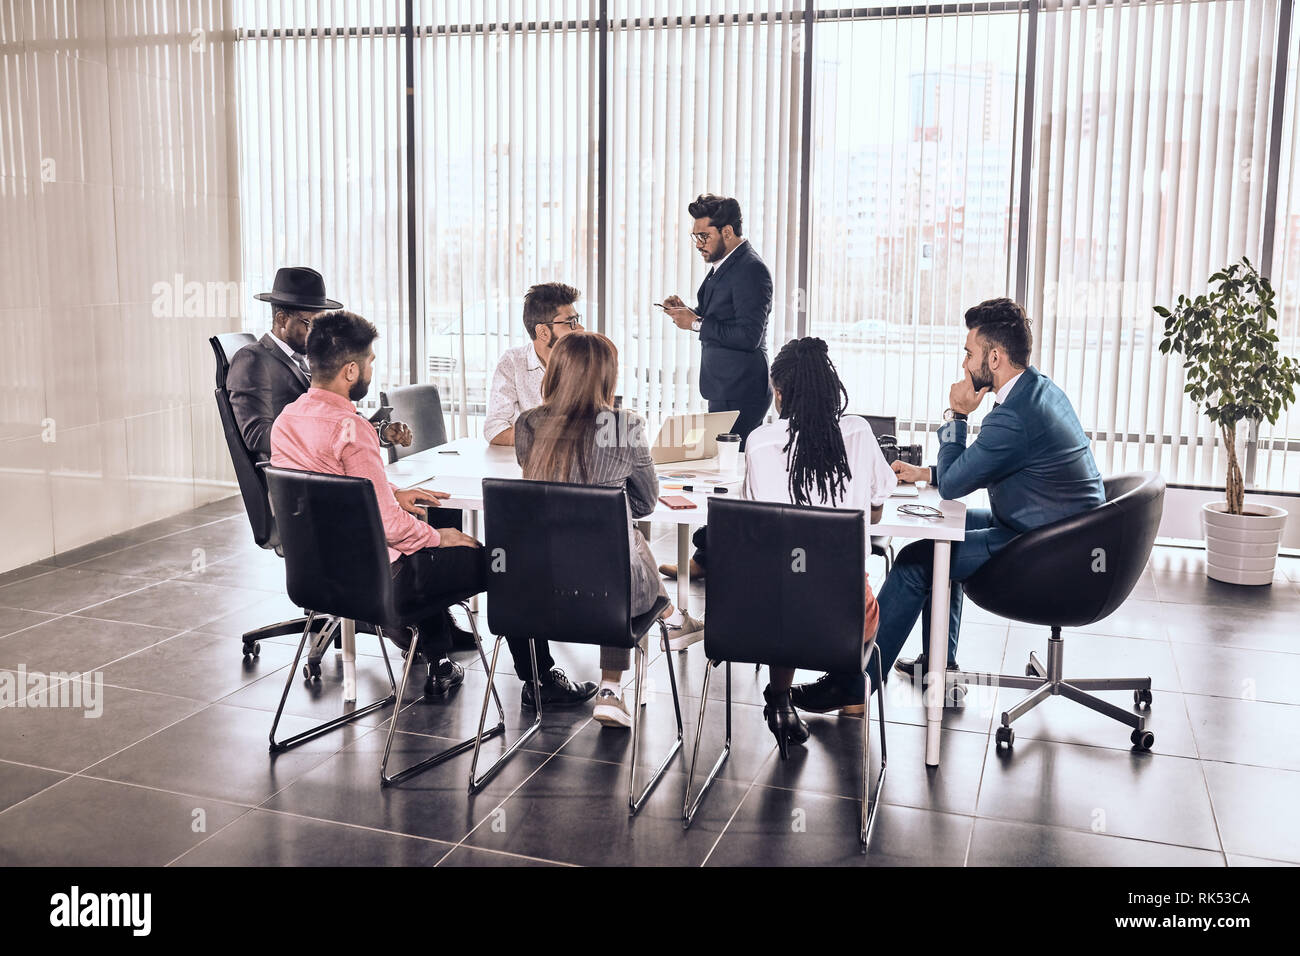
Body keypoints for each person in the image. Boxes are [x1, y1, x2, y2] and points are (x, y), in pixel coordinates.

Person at [790, 298, 1106, 714]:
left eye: (969, 353)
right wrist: (927, 474)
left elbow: (956, 485)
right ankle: (940, 664)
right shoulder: (1037, 390)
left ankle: (855, 684)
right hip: (1063, 531)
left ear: (994, 357)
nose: (964, 364)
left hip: (1049, 549)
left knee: (918, 561)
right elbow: (983, 465)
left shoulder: (1013, 416)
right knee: (941, 537)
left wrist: (957, 416)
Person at [269, 310, 474, 694]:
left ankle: (433, 652)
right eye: (369, 364)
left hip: (313, 575)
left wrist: (391, 496)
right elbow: (393, 528)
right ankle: (527, 680)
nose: (370, 372)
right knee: (481, 555)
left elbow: (328, 493)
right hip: (376, 580)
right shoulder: (353, 430)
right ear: (350, 371)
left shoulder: (286, 420)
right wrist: (438, 537)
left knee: (421, 529)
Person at [514, 332, 700, 727]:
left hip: (535, 587)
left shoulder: (528, 423)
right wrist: (609, 513)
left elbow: (540, 490)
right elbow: (647, 503)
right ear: (607, 378)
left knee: (614, 536)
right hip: (608, 590)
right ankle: (613, 685)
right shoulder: (624, 425)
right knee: (623, 536)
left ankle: (667, 616)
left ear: (555, 373)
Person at [737, 338, 896, 756]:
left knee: (785, 584)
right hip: (843, 622)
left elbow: (756, 521)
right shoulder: (860, 432)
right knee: (839, 590)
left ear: (780, 393)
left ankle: (780, 697)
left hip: (766, 620)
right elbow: (876, 511)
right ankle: (850, 684)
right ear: (829, 385)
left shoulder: (758, 441)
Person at [659, 194, 773, 582]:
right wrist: (689, 311)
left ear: (727, 231)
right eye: (694, 237)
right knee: (718, 477)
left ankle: (717, 561)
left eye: (703, 236)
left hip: (742, 388)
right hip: (724, 384)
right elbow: (722, 315)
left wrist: (694, 324)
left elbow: (748, 334)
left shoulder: (751, 270)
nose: (699, 244)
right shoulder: (725, 264)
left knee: (725, 479)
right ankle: (710, 559)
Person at [227, 266, 413, 459]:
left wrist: (378, 432)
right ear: (282, 319)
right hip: (297, 477)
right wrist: (328, 433)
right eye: (311, 324)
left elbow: (332, 412)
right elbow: (256, 436)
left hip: (327, 467)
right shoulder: (252, 360)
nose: (318, 334)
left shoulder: (306, 357)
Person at [483, 282, 586, 446]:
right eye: (571, 322)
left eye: (577, 320)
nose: (580, 328)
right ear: (543, 332)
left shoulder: (586, 361)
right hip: (527, 468)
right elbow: (495, 429)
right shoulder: (513, 362)